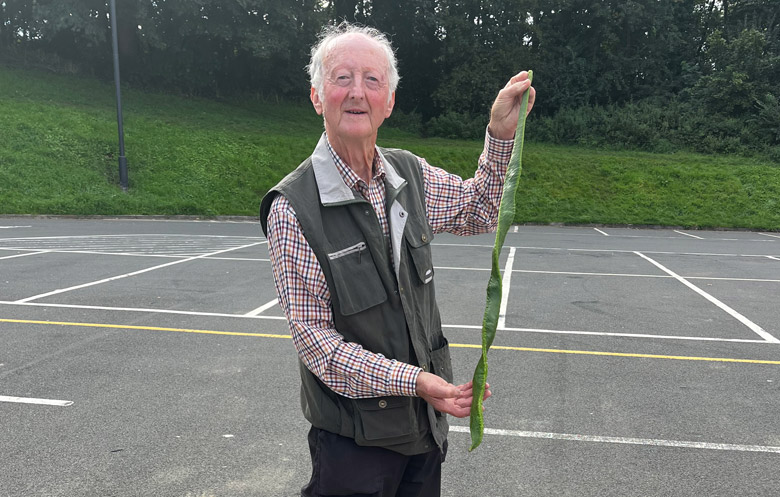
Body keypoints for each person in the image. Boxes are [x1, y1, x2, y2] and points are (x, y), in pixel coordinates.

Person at [260, 21, 535, 497]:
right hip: (353, 445)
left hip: (423, 433)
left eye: (372, 80)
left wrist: (500, 135)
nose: (356, 93)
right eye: (341, 78)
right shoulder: (293, 207)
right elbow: (319, 347)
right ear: (316, 96)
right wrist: (418, 382)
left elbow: (479, 209)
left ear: (388, 101)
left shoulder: (408, 173)